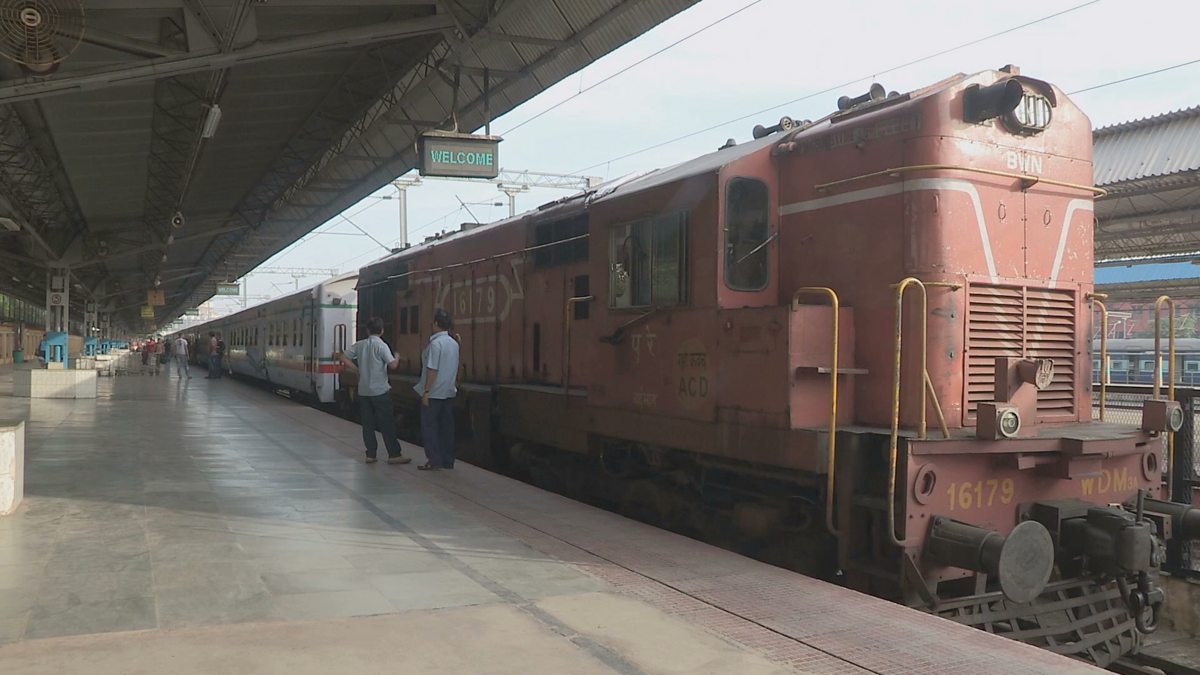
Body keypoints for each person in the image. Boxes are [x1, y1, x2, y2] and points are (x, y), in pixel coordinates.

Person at [339, 317, 410, 465]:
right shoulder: (382, 346)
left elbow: (343, 357)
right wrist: (397, 357)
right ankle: (394, 454)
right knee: (387, 423)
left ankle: (370, 454)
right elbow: (393, 365)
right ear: (382, 331)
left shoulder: (360, 345)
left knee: (368, 424)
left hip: (364, 391)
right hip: (380, 391)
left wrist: (356, 369)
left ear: (367, 330)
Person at [415, 308, 460, 471]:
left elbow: (432, 369)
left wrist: (426, 392)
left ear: (435, 324)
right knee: (446, 428)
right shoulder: (454, 344)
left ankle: (434, 459)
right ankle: (448, 460)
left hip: (434, 393)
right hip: (448, 392)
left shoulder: (435, 344)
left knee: (430, 427)